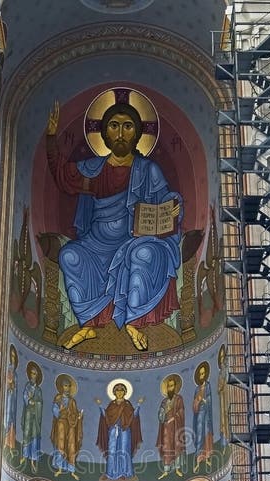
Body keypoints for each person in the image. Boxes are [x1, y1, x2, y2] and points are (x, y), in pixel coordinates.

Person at [46, 97, 183, 351]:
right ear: (105, 134)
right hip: (96, 242)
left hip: (135, 240)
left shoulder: (148, 169)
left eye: (128, 126)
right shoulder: (93, 168)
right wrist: (51, 140)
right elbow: (64, 177)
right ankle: (88, 323)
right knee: (69, 255)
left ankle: (134, 321)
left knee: (144, 254)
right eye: (114, 126)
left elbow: (165, 198)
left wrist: (174, 204)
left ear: (138, 134)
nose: (121, 133)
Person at [96, 382, 142, 481]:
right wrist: (100, 406)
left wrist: (138, 405)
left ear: (125, 392)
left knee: (124, 450)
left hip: (125, 431)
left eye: (121, 391)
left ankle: (124, 473)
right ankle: (110, 473)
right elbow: (106, 416)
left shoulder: (127, 404)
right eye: (117, 391)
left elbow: (133, 416)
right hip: (113, 431)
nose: (119, 393)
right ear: (114, 392)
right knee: (112, 451)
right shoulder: (112, 405)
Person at [50, 375, 83, 479]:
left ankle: (71, 470)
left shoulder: (72, 401)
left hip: (71, 426)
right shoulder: (58, 398)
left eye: (69, 386)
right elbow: (55, 410)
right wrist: (59, 411)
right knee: (61, 444)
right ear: (61, 387)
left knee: (71, 446)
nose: (67, 388)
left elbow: (74, 413)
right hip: (61, 424)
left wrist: (79, 417)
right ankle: (60, 467)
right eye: (65, 386)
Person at [156, 374, 186, 478]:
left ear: (175, 387)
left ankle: (177, 468)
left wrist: (174, 418)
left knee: (176, 446)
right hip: (166, 428)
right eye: (169, 386)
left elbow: (181, 411)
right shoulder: (164, 401)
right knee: (167, 447)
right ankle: (166, 470)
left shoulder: (178, 399)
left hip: (176, 426)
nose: (170, 388)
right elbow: (160, 415)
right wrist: (163, 412)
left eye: (172, 385)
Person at [20, 361, 43, 471]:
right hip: (28, 414)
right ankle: (24, 456)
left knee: (34, 437)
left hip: (35, 417)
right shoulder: (27, 386)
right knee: (26, 433)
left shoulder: (38, 390)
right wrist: (29, 400)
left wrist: (36, 403)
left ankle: (33, 459)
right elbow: (25, 396)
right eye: (32, 373)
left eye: (35, 374)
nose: (32, 375)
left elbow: (40, 403)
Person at [192, 361, 214, 472]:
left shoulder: (208, 386)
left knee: (206, 433)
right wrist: (198, 401)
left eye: (203, 373)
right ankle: (198, 458)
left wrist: (205, 400)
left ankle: (207, 457)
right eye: (200, 374)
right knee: (199, 434)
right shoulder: (197, 389)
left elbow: (210, 399)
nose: (202, 376)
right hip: (200, 414)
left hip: (207, 414)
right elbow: (194, 405)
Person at [4, 344, 19, 452]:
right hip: (8, 397)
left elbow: (16, 387)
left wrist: (13, 386)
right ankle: (5, 439)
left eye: (14, 357)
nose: (13, 359)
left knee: (12, 417)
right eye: (12, 356)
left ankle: (10, 441)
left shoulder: (16, 374)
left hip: (13, 398)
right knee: (7, 416)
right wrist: (10, 384)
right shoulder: (8, 370)